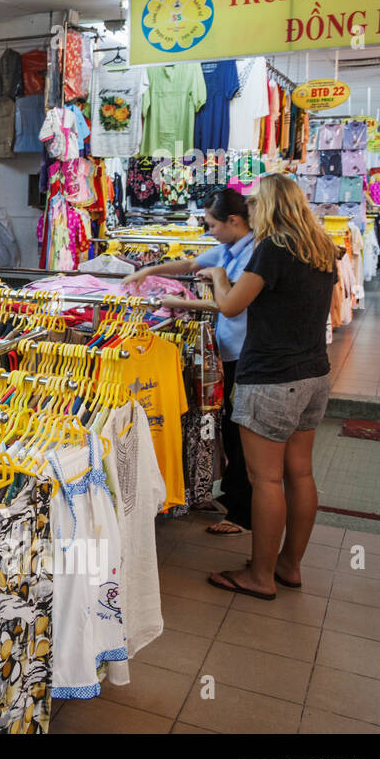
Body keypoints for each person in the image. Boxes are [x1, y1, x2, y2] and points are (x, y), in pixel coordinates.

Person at [199, 174, 337, 600]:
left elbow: (230, 304)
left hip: (273, 378)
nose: (251, 208)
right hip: (314, 373)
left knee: (267, 481)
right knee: (300, 474)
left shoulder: (274, 248)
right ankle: (288, 566)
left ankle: (259, 576)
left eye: (256, 202)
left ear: (272, 205)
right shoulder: (321, 247)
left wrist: (219, 275)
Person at [123, 189, 255, 534]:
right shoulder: (229, 248)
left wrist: (173, 298)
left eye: (211, 224)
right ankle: (230, 495)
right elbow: (191, 263)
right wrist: (146, 271)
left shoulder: (253, 253)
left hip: (246, 351)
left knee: (240, 431)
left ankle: (242, 511)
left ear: (234, 221)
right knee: (225, 423)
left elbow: (231, 303)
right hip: (229, 349)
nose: (208, 231)